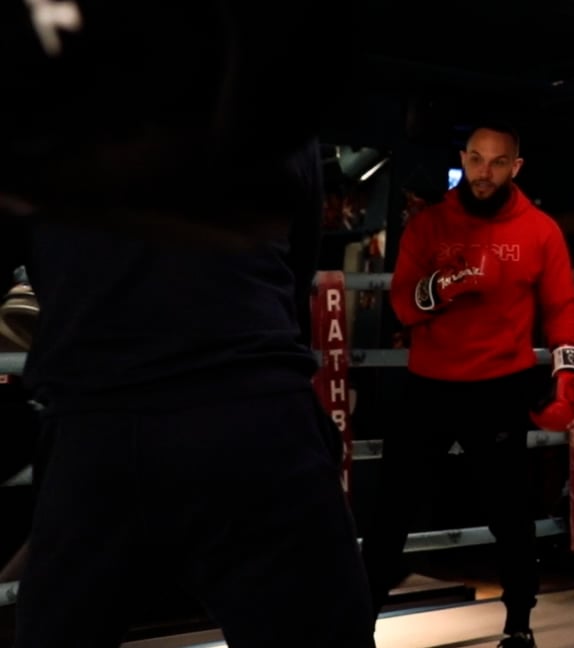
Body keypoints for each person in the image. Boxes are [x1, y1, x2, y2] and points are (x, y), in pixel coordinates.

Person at [0, 0, 370, 648]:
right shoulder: (262, 89)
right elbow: (298, 264)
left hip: (110, 414)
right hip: (241, 408)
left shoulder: (44, 96)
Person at [6, 137, 375, 648]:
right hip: (249, 408)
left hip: (100, 417)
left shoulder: (39, 118)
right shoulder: (267, 107)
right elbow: (297, 267)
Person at [360, 124, 574, 648]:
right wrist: (445, 285)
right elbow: (401, 304)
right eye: (477, 160)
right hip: (429, 384)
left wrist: (569, 377)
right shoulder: (429, 225)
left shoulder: (541, 231)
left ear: (516, 167)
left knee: (511, 514)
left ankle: (519, 626)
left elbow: (562, 308)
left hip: (499, 387)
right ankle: (360, 622)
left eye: (498, 162)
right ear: (463, 158)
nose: (485, 173)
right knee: (393, 509)